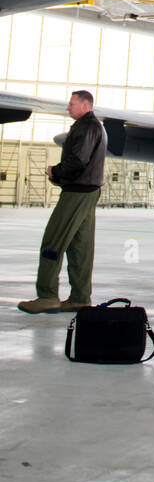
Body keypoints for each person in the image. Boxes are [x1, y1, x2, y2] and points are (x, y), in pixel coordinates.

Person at [18, 90, 107, 314]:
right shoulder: (96, 127)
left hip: (77, 193)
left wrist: (55, 172)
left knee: (53, 241)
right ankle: (80, 297)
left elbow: (78, 160)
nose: (68, 107)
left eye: (71, 104)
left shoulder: (87, 127)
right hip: (88, 191)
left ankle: (47, 295)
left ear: (85, 105)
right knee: (80, 247)